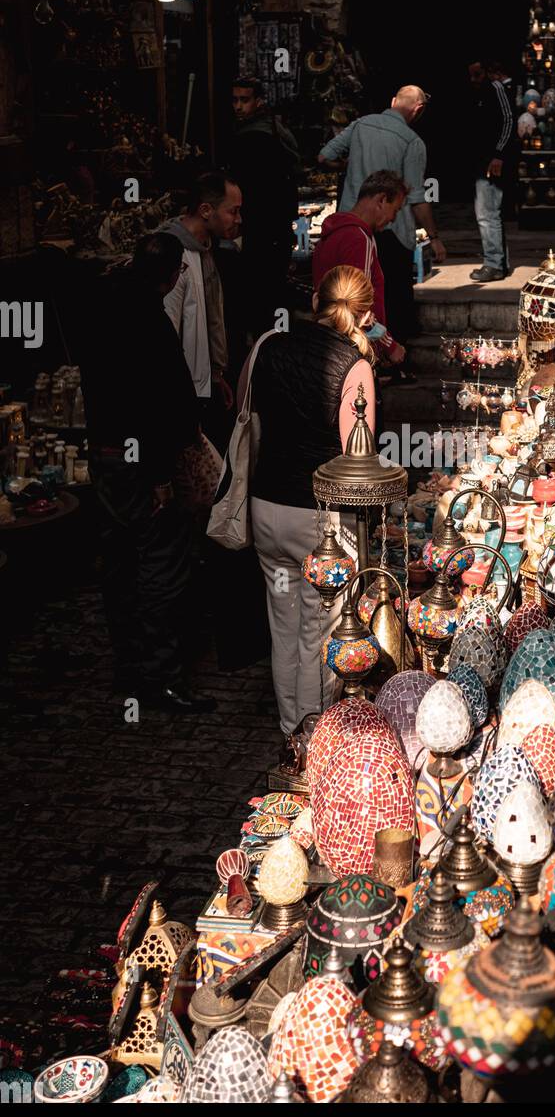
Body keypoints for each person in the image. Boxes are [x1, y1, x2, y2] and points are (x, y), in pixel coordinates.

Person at [79, 233, 216, 714]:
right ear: (175, 273)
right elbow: (152, 403)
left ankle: (130, 666)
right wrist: (160, 473)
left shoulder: (105, 303)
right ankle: (159, 676)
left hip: (107, 453)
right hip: (139, 461)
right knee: (159, 564)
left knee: (120, 561)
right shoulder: (143, 317)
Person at [247, 266, 377, 737]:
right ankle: (316, 736)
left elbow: (253, 424)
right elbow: (355, 460)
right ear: (365, 313)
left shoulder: (269, 344)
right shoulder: (354, 365)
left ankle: (290, 733)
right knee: (320, 633)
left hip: (266, 506)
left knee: (282, 628)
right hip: (319, 518)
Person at [318, 85, 446, 363]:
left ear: (392, 100)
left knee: (350, 292)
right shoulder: (412, 142)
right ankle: (388, 361)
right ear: (419, 109)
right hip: (390, 234)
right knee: (385, 299)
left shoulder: (360, 125)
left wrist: (350, 169)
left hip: (350, 219)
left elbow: (323, 157)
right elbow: (416, 197)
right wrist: (434, 236)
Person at [161, 172, 239, 447]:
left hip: (202, 386)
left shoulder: (203, 250)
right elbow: (166, 334)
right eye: (233, 211)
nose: (238, 219)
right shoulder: (173, 256)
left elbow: (209, 319)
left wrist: (215, 374)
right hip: (183, 394)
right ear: (206, 210)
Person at [312, 169, 408, 372]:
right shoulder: (359, 238)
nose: (393, 218)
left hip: (329, 340)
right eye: (395, 210)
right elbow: (359, 305)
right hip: (352, 346)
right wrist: (389, 346)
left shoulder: (334, 233)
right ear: (381, 200)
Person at [229, 77, 301, 338]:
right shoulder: (270, 129)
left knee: (263, 294)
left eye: (244, 100)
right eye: (235, 100)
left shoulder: (254, 137)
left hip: (262, 228)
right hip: (275, 227)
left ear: (257, 102)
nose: (238, 106)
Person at [467, 58, 519, 282]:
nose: (473, 80)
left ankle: (494, 264)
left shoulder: (496, 89)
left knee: (487, 214)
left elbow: (508, 120)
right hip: (482, 161)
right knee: (488, 213)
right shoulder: (478, 93)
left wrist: (499, 154)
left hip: (491, 161)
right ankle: (499, 262)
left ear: (488, 73)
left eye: (477, 75)